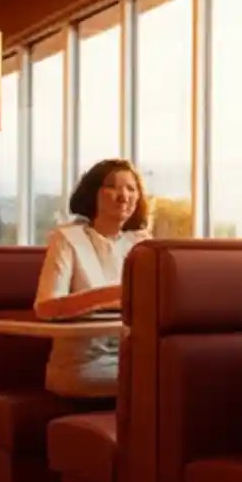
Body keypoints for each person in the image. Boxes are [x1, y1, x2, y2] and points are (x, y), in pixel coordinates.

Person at [34, 158, 150, 398]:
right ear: (92, 193)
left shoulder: (142, 245)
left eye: (131, 188)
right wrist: (115, 293)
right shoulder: (66, 238)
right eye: (113, 187)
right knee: (159, 384)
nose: (124, 196)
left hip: (129, 359)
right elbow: (45, 307)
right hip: (82, 365)